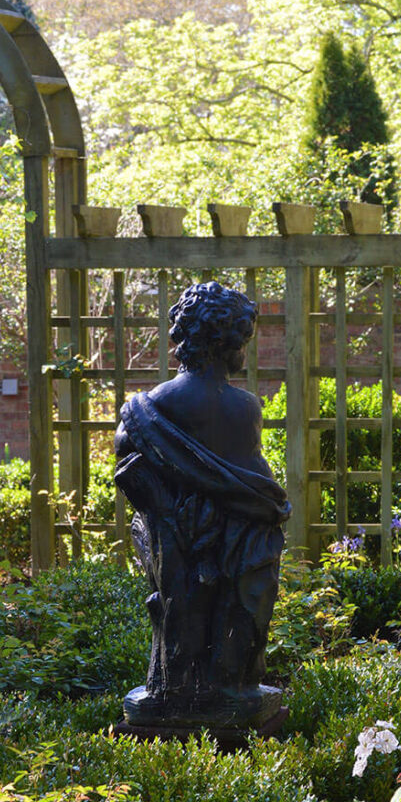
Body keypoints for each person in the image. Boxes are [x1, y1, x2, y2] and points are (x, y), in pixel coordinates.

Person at [115, 280, 290, 730]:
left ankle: (172, 689)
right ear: (223, 342)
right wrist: (275, 509)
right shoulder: (241, 406)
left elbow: (127, 460)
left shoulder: (148, 406)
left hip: (172, 541)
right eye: (242, 341)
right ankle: (228, 687)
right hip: (231, 545)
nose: (244, 353)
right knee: (237, 612)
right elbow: (256, 487)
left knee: (175, 612)